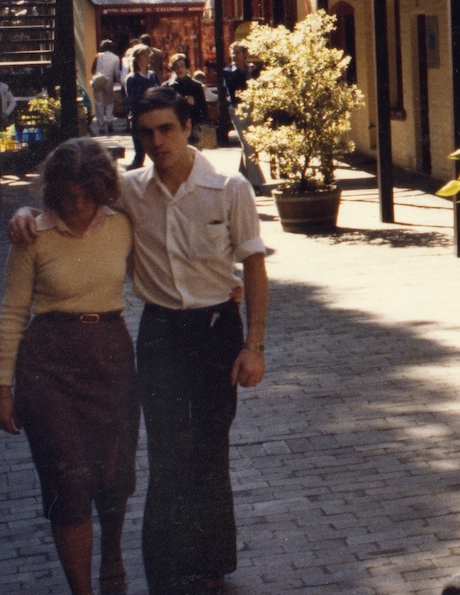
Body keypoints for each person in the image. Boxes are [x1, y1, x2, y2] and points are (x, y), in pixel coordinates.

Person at [10, 87, 268, 595]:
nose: (157, 140)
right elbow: (70, 197)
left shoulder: (230, 187)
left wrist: (253, 345)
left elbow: (255, 269)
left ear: (188, 126)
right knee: (167, 451)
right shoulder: (127, 191)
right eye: (146, 132)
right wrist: (24, 215)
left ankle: (211, 566)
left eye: (166, 128)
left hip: (218, 331)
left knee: (210, 450)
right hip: (161, 334)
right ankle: (167, 571)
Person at [0, 139, 138, 595]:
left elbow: (165, 265)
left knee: (114, 473)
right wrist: (2, 387)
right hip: (48, 367)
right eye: (65, 194)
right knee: (69, 479)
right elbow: (13, 312)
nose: (75, 204)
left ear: (102, 189)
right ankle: (81, 589)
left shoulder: (122, 227)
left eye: (85, 193)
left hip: (111, 358)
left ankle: (113, 556)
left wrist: (224, 284)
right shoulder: (33, 235)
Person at [123, 49, 158, 170]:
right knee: (139, 152)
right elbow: (132, 98)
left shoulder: (153, 75)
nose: (147, 58)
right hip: (139, 115)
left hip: (154, 114)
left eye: (148, 55)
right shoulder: (132, 78)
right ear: (137, 59)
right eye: (143, 56)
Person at [163, 56, 205, 146]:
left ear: (187, 68)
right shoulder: (167, 86)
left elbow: (204, 109)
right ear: (173, 68)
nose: (180, 69)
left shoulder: (196, 86)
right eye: (177, 66)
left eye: (182, 66)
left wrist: (194, 103)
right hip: (174, 125)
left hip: (192, 126)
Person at [90, 40, 122, 136]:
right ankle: (109, 121)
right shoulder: (116, 58)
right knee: (109, 102)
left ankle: (101, 126)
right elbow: (117, 73)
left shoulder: (98, 56)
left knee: (99, 103)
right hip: (109, 81)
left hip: (99, 79)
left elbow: (93, 69)